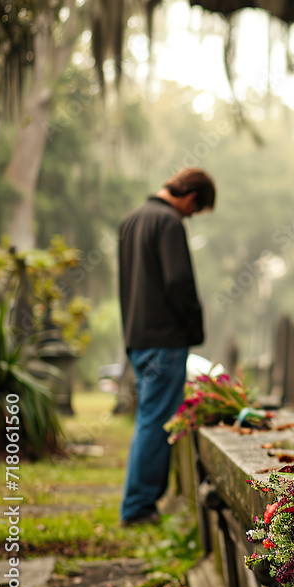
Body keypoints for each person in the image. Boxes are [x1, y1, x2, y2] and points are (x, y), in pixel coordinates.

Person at [118, 168, 216, 526]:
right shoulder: (169, 222)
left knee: (149, 418)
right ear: (190, 198)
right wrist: (194, 328)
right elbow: (178, 281)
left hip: (138, 338)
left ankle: (139, 502)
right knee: (156, 422)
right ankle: (139, 507)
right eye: (194, 211)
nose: (189, 216)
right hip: (164, 340)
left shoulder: (131, 220)